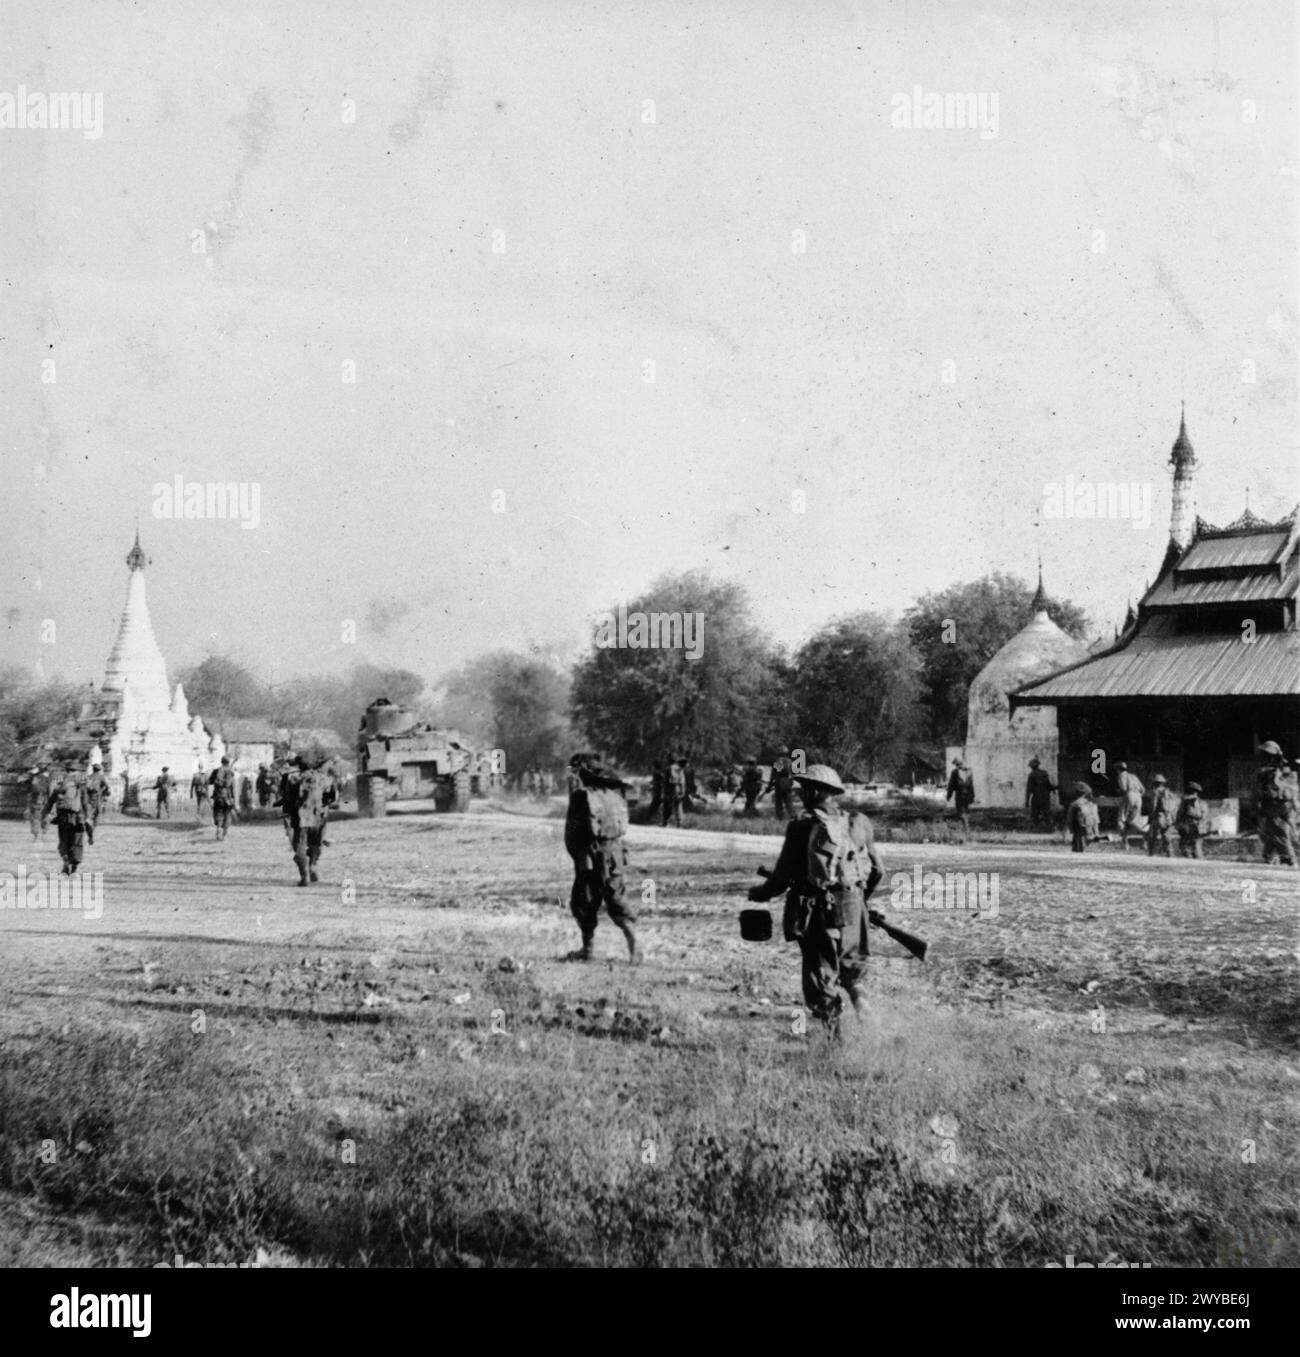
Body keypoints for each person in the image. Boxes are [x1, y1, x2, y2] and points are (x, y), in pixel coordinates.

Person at [747, 763, 883, 1039]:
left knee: (820, 975)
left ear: (813, 792)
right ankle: (865, 1010)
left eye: (804, 788)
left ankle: (835, 1043)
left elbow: (782, 878)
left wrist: (760, 893)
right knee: (852, 971)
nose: (799, 792)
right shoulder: (858, 822)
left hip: (818, 911)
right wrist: (861, 901)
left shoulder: (802, 826)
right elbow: (878, 870)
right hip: (853, 906)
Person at [565, 753, 637, 962]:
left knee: (584, 901)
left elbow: (572, 833)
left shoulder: (581, 796)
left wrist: (578, 857)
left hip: (590, 855)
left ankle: (588, 949)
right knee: (616, 897)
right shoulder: (615, 795)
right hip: (615, 854)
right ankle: (635, 944)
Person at [280, 753, 338, 886]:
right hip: (319, 816)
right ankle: (312, 865)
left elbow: (287, 800)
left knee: (299, 844)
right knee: (316, 843)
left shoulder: (294, 779)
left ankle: (304, 874)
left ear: (299, 764)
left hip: (301, 817)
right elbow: (333, 796)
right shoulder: (323, 778)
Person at [41, 763, 92, 875]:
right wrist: (88, 818)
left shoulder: (60, 786)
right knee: (77, 842)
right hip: (77, 819)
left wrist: (45, 815)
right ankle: (74, 864)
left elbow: (49, 803)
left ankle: (65, 863)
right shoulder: (80, 785)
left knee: (64, 841)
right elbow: (85, 803)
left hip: (62, 818)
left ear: (66, 771)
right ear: (76, 771)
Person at [1255, 741, 1297, 867]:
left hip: (1279, 810)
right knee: (1271, 838)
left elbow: (1286, 793)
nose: (1263, 756)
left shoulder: (1283, 772)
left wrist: (1273, 777)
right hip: (1271, 810)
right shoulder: (1266, 771)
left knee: (1280, 836)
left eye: (1265, 754)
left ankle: (1290, 862)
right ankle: (1271, 860)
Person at [1114, 762, 1146, 851]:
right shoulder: (1133, 776)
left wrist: (1119, 792)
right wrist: (1137, 796)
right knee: (1133, 821)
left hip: (1129, 795)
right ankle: (1144, 838)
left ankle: (1125, 844)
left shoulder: (1121, 776)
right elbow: (1143, 790)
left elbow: (1124, 788)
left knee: (1121, 820)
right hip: (1138, 797)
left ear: (1118, 769)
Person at [1175, 782, 1208, 859]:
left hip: (1188, 826)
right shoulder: (1202, 802)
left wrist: (1178, 824)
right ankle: (1198, 861)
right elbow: (1204, 815)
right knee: (1196, 845)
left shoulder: (1185, 802)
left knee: (1186, 846)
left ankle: (1192, 860)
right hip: (1197, 827)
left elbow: (1179, 814)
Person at [1065, 780, 1100, 852]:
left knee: (1078, 849)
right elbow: (1096, 820)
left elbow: (1069, 820)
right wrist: (1097, 833)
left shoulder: (1074, 804)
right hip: (1090, 831)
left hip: (1078, 831)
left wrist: (1068, 832)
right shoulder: (1091, 804)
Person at [1024, 757, 1056, 830]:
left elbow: (1029, 789)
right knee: (1046, 813)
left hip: (1037, 797)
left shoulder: (1031, 775)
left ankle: (1036, 828)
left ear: (1032, 767)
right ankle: (1049, 828)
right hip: (1045, 797)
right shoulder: (1044, 773)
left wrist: (1027, 801)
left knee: (1034, 814)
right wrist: (1053, 789)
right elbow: (1049, 784)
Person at [209, 757, 236, 840]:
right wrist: (233, 798)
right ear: (228, 762)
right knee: (227, 814)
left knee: (218, 813)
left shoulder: (216, 771)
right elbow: (232, 786)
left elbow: (209, 781)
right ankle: (224, 833)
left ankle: (218, 829)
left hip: (218, 796)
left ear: (221, 762)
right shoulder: (230, 772)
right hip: (227, 797)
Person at [1146, 774, 1174, 857]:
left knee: (1152, 835)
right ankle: (1170, 853)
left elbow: (1153, 806)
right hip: (1168, 816)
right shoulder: (1168, 792)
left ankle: (1151, 853)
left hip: (1158, 816)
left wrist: (1150, 816)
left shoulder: (1155, 792)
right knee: (1166, 835)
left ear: (1155, 783)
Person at [946, 758, 975, 834]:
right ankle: (966, 828)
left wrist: (948, 796)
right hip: (968, 795)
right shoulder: (969, 771)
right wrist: (972, 797)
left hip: (960, 795)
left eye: (956, 764)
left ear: (957, 764)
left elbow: (951, 785)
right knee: (966, 811)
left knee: (960, 812)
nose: (957, 766)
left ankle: (966, 828)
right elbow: (971, 785)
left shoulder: (955, 772)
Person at [765, 756, 796, 820]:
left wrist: (769, 786)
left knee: (779, 802)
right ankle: (793, 816)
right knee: (789, 801)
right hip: (788, 783)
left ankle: (780, 817)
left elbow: (773, 775)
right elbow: (794, 774)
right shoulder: (790, 761)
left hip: (779, 784)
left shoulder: (778, 761)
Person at [25, 765, 49, 840]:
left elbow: (22, 782)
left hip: (35, 800)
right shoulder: (46, 778)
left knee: (35, 817)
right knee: (44, 816)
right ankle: (43, 832)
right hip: (44, 800)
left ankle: (37, 834)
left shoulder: (33, 778)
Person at [662, 759, 686, 827]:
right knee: (678, 806)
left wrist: (664, 792)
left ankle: (665, 822)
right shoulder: (679, 769)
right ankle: (679, 823)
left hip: (670, 789)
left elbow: (664, 781)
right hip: (676, 789)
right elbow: (682, 782)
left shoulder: (669, 768)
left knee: (668, 807)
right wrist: (683, 792)